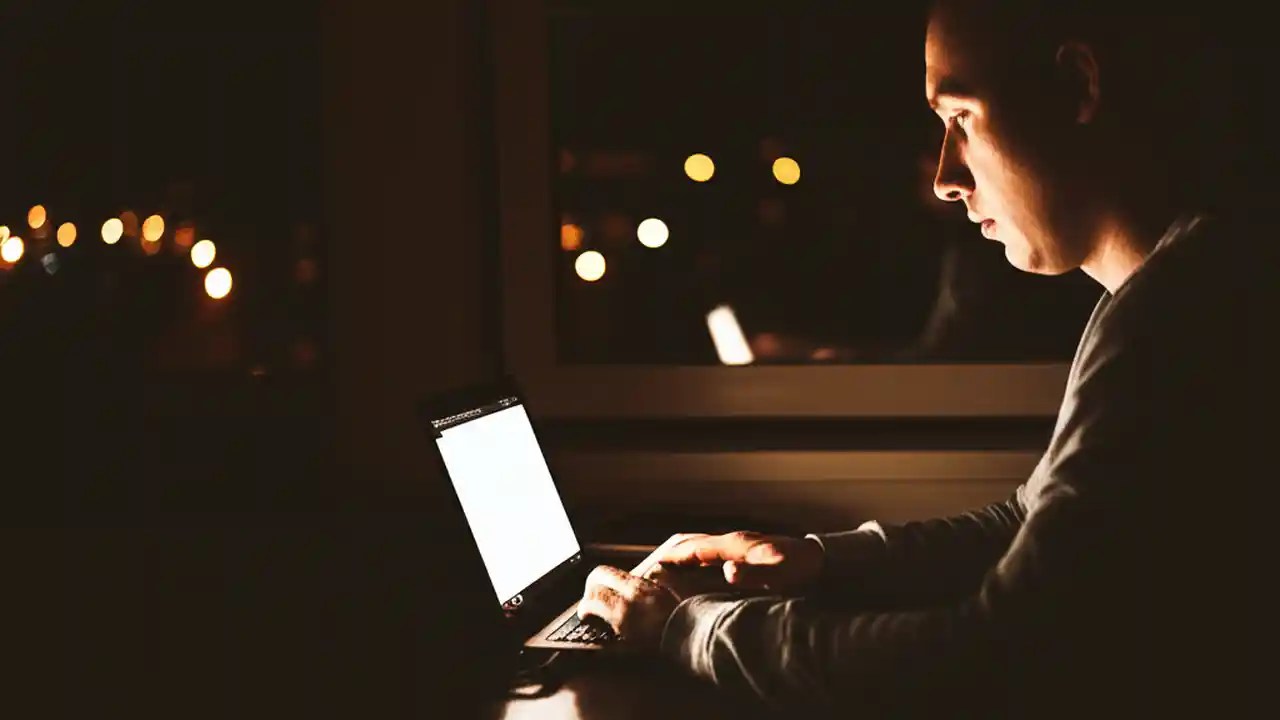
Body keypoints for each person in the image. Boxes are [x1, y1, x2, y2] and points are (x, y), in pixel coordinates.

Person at [577, 1, 1274, 715]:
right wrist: (817, 558)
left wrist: (687, 629)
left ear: (1077, 87)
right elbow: (1027, 521)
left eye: (961, 117)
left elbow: (992, 655)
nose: (946, 177)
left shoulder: (1178, 319)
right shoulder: (1165, 291)